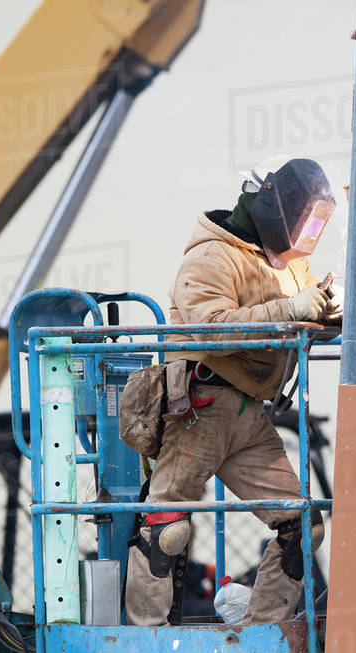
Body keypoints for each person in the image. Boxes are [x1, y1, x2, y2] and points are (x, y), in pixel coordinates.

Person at [125, 157, 340, 626]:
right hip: (201, 406)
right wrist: (292, 308)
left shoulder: (287, 266)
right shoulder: (212, 256)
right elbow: (210, 330)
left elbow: (293, 315)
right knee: (165, 527)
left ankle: (263, 631)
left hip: (248, 414)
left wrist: (325, 313)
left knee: (301, 525)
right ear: (271, 203)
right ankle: (146, 638)